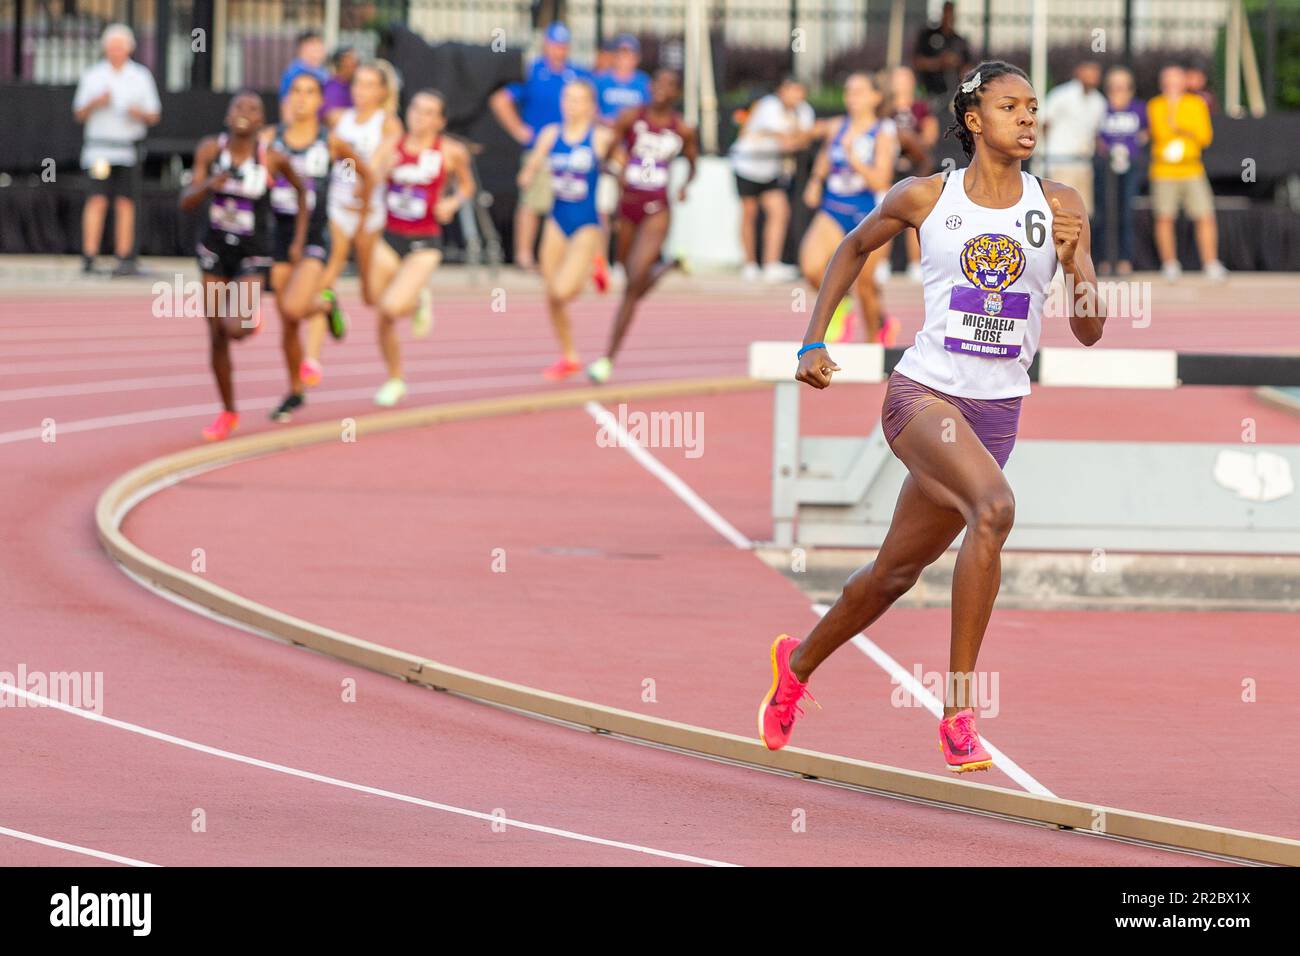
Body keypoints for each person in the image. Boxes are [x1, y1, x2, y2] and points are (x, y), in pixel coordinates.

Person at [759, 62, 1105, 773]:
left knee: (892, 574)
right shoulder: (925, 196)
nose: (1029, 118)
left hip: (996, 412)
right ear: (974, 119)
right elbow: (852, 247)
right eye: (1011, 106)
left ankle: (796, 664)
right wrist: (813, 339)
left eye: (1034, 107)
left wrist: (1078, 267)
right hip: (923, 397)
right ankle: (958, 710)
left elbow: (1093, 329)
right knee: (996, 508)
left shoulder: (1061, 203)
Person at [180, 91, 309, 442]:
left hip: (253, 249)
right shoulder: (210, 149)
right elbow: (187, 201)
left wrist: (297, 240)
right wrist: (209, 184)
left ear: (260, 121)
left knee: (234, 327)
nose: (244, 113)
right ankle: (228, 411)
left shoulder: (272, 159)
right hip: (215, 247)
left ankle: (250, 317)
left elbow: (301, 193)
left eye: (253, 109)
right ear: (227, 115)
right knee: (216, 334)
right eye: (239, 107)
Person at [263, 72, 374, 420]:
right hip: (277, 234)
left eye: (309, 93)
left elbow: (366, 174)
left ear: (319, 101)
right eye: (296, 92)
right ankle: (295, 391)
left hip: (312, 237)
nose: (301, 99)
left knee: (294, 309)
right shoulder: (271, 140)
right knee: (287, 320)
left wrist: (362, 204)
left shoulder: (331, 142)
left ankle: (325, 307)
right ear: (287, 98)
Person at [587, 69, 698, 384]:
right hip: (628, 206)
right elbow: (608, 154)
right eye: (658, 83)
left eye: (669, 85)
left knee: (633, 282)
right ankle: (671, 264)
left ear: (676, 93)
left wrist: (684, 186)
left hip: (657, 209)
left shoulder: (683, 130)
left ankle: (607, 358)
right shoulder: (630, 118)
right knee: (629, 276)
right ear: (650, 88)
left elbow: (692, 163)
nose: (662, 89)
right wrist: (614, 170)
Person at [366, 90, 476, 406]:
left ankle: (415, 300)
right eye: (416, 109)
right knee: (378, 306)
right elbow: (368, 182)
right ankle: (395, 378)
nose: (420, 117)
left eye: (429, 112)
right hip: (390, 236)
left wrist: (452, 202)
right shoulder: (390, 146)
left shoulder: (451, 152)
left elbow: (467, 186)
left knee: (390, 307)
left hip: (425, 242)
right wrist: (382, 170)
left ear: (440, 121)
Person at [518, 80, 617, 380]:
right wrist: (528, 172)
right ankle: (569, 356)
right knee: (552, 295)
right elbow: (533, 165)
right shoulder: (550, 134)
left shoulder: (600, 137)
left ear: (591, 105)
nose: (571, 104)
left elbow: (626, 164)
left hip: (586, 222)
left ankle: (594, 265)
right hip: (557, 218)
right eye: (568, 99)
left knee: (563, 290)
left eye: (578, 100)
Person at [799, 72, 900, 346]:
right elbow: (823, 155)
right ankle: (841, 306)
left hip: (870, 213)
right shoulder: (838, 127)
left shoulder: (883, 131)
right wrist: (815, 181)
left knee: (865, 285)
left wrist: (854, 158)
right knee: (811, 268)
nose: (851, 97)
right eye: (848, 91)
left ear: (876, 97)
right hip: (834, 208)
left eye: (859, 91)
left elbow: (881, 179)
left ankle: (874, 338)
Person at [316, 62, 404, 372]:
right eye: (357, 84)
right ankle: (315, 355)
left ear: (382, 91)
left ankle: (414, 299)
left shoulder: (388, 123)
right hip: (339, 207)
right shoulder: (340, 119)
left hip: (369, 212)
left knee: (370, 294)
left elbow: (380, 163)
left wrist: (368, 180)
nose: (361, 91)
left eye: (368, 85)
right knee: (329, 271)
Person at [490, 22, 593, 270]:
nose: (559, 50)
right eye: (554, 44)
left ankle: (573, 258)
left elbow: (593, 106)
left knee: (573, 203)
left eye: (563, 45)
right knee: (533, 201)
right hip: (541, 148)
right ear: (546, 45)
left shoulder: (577, 74)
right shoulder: (532, 71)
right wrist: (519, 130)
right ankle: (524, 255)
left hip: (572, 148)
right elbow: (501, 100)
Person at [72, 23, 161, 277]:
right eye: (112, 47)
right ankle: (89, 256)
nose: (116, 52)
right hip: (100, 151)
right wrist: (95, 102)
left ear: (129, 49)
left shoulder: (140, 76)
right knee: (97, 199)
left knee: (126, 202)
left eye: (120, 47)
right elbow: (78, 113)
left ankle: (125, 256)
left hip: (128, 150)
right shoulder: (93, 75)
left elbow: (154, 114)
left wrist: (138, 113)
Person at [729, 76, 816, 282]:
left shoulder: (804, 111)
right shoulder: (768, 106)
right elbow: (788, 139)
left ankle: (771, 263)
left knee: (779, 211)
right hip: (747, 164)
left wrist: (799, 137)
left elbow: (804, 138)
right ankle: (749, 264)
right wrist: (797, 137)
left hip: (771, 168)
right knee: (749, 212)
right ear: (782, 91)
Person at [1148, 65, 1225, 282]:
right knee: (1164, 217)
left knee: (1205, 215)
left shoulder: (1195, 104)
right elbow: (1160, 132)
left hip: (1192, 169)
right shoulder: (1155, 105)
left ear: (1183, 83)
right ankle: (1170, 263)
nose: (1171, 86)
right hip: (1164, 170)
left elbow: (1204, 136)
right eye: (1167, 81)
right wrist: (1172, 111)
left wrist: (1180, 125)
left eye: (1175, 81)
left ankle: (1211, 263)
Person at [888, 65, 940, 283]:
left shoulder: (921, 108)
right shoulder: (885, 108)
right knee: (883, 216)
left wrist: (909, 141)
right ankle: (881, 263)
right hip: (889, 167)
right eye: (898, 79)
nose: (902, 83)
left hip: (915, 166)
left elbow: (930, 135)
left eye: (906, 78)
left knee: (915, 215)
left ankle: (914, 263)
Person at [1093, 66, 1147, 276]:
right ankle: (1105, 259)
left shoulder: (1138, 108)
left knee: (1125, 212)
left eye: (1123, 86)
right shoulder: (1101, 107)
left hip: (1129, 167)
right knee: (1104, 212)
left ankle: (1124, 259)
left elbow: (1145, 132)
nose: (1118, 90)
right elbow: (1095, 135)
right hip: (1105, 168)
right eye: (1114, 87)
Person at [1040, 60, 1106, 216]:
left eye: (1096, 72)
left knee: (1083, 211)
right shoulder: (1061, 95)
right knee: (1062, 209)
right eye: (1089, 71)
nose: (1093, 76)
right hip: (1061, 161)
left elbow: (1096, 133)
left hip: (1084, 163)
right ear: (1079, 72)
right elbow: (1044, 122)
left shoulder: (1099, 101)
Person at [911, 1, 973, 107]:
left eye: (951, 14)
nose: (948, 18)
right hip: (929, 92)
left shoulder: (959, 41)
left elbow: (968, 69)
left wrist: (956, 64)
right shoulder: (928, 36)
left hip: (953, 94)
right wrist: (939, 62)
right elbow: (917, 61)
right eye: (946, 13)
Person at [278, 30, 328, 102]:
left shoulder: (323, 71)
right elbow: (286, 103)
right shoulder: (294, 72)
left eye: (320, 44)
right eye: (313, 44)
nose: (320, 49)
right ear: (302, 48)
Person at [321, 46, 359, 123]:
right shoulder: (332, 89)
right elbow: (330, 117)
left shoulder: (355, 85)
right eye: (351, 63)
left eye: (356, 63)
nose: (356, 67)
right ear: (341, 65)